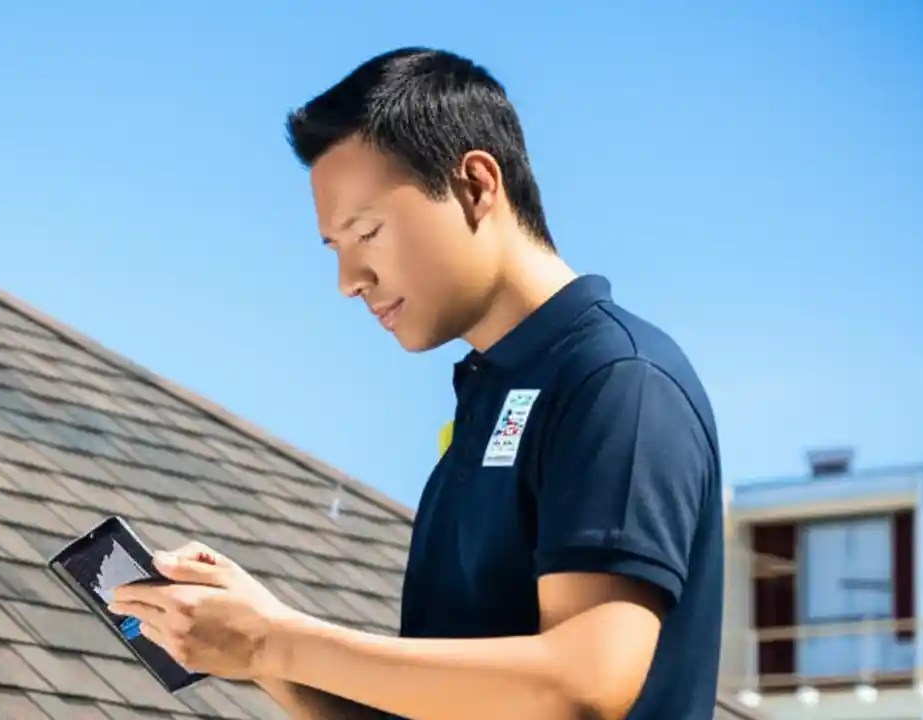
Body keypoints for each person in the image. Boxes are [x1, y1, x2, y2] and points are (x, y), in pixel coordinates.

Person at [111, 46, 724, 720]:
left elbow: (581, 684)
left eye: (367, 232)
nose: (350, 282)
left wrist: (277, 642)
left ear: (476, 186)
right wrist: (252, 642)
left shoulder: (619, 380)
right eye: (336, 250)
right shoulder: (488, 401)